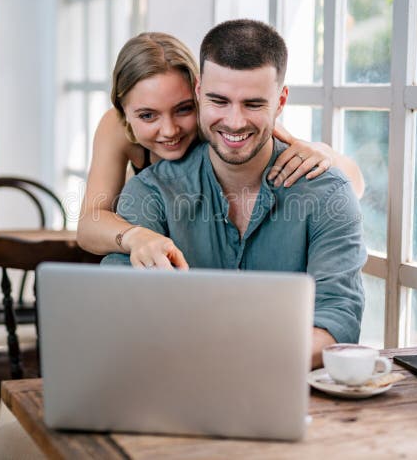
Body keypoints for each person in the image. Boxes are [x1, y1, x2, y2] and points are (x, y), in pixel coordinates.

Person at [102, 20, 367, 368]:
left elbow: (338, 320)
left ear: (281, 100)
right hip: (176, 384)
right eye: (219, 101)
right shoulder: (150, 190)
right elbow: (120, 307)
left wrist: (240, 358)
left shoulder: (326, 193)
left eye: (254, 104)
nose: (235, 121)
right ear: (198, 93)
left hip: (289, 393)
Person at [76, 32, 365, 269]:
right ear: (123, 110)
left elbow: (353, 183)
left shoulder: (226, 127)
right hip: (143, 235)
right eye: (148, 116)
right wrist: (135, 235)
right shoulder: (115, 128)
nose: (169, 130)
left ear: (200, 95)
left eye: (184, 109)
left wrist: (322, 152)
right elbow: (90, 222)